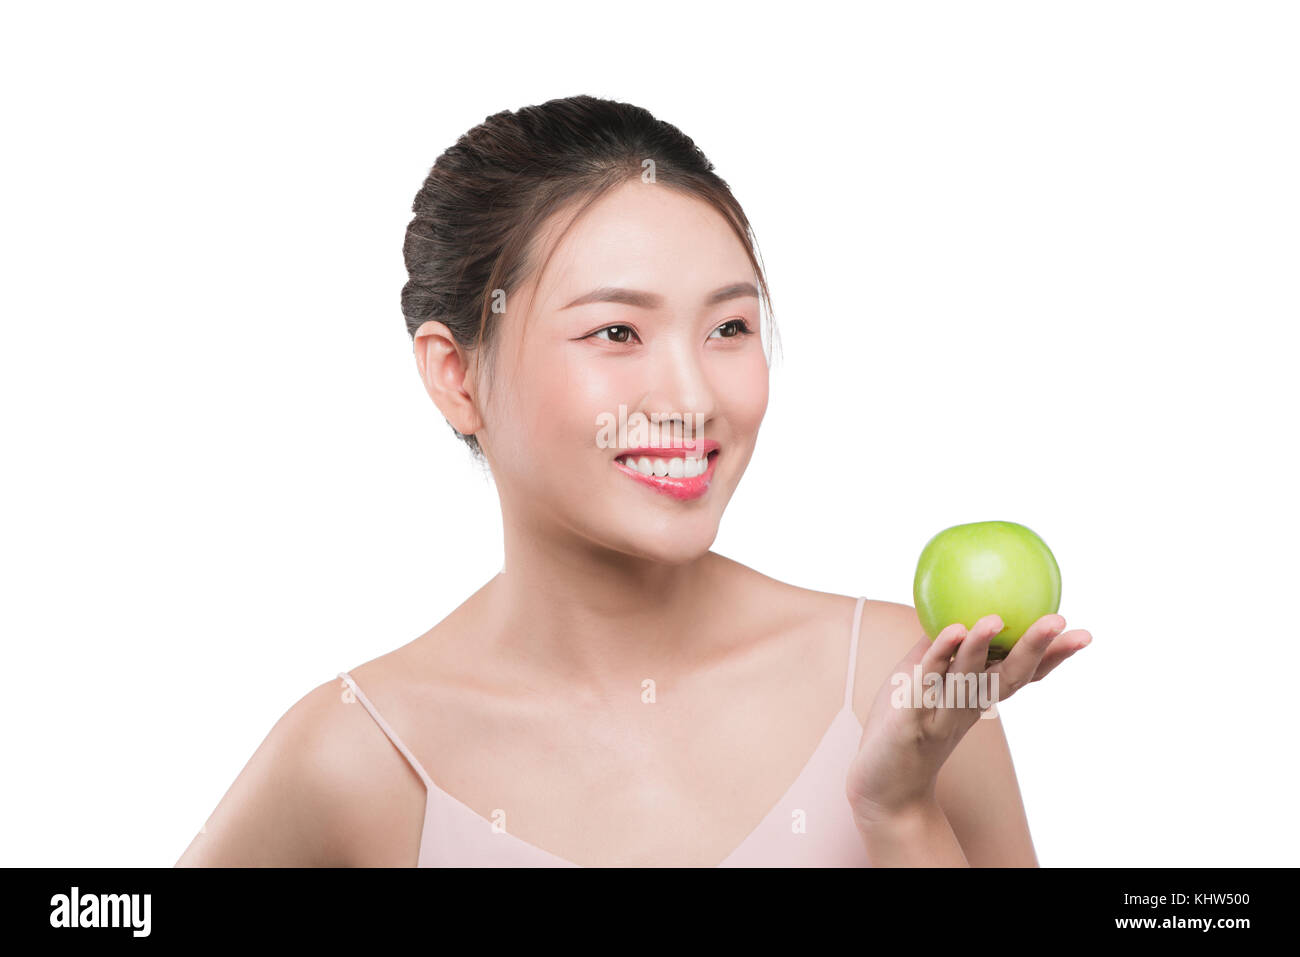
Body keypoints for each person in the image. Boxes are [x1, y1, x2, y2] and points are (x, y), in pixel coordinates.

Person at [176, 95, 1090, 868]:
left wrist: (897, 807)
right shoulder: (358, 751)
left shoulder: (909, 682)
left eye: (729, 328)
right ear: (456, 376)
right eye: (616, 332)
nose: (692, 396)